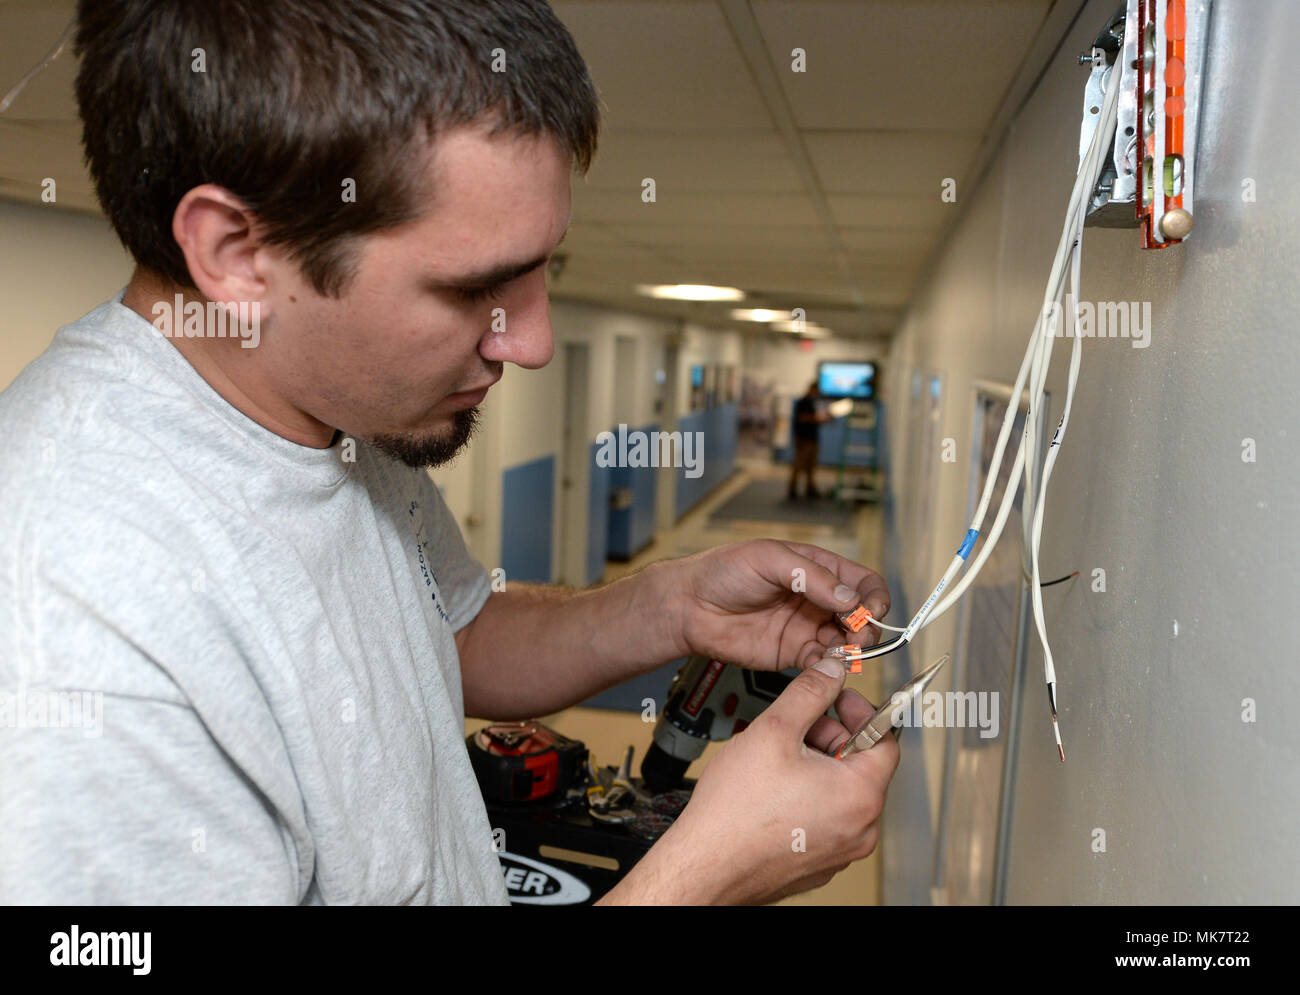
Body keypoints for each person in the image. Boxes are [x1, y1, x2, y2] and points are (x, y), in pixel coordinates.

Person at [0, 0, 897, 905]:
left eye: (544, 268)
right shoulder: (74, 622)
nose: (534, 341)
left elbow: (451, 635)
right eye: (479, 287)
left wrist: (671, 605)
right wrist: (703, 877)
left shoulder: (330, 411)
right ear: (237, 253)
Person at [789, 380, 831, 499]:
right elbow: (803, 418)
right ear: (813, 389)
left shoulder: (812, 402)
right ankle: (792, 489)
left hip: (812, 438)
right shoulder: (803, 401)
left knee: (811, 466)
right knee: (799, 464)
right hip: (804, 439)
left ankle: (810, 488)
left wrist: (821, 419)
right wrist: (817, 419)